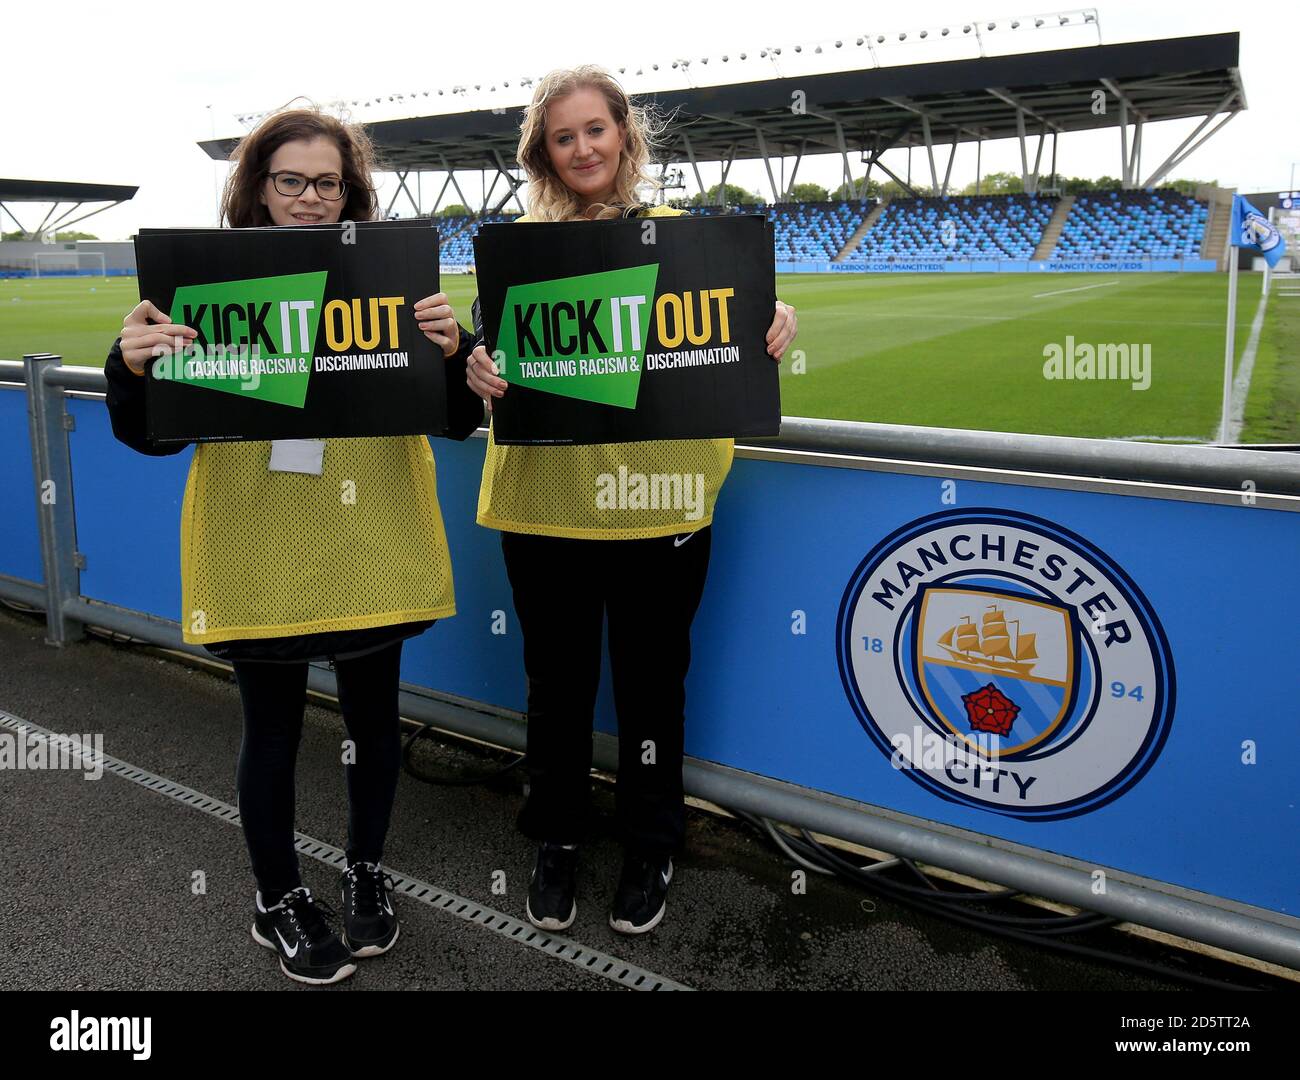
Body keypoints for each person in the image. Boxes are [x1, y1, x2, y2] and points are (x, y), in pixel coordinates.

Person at [104, 107, 482, 984]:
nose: (312, 198)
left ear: (349, 188)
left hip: (368, 533)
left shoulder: (394, 278)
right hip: (258, 541)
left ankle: (365, 870)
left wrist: (456, 350)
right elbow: (149, 435)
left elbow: (457, 418)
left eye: (328, 182)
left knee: (373, 726)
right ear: (257, 189)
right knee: (269, 734)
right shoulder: (201, 283)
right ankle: (275, 898)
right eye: (292, 181)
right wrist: (130, 366)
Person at [466, 66, 797, 935]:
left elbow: (726, 333)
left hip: (662, 505)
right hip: (546, 508)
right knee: (558, 687)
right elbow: (492, 368)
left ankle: (652, 840)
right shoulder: (517, 253)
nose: (582, 148)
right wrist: (477, 368)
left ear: (624, 135)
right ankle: (558, 838)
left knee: (654, 688)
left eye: (595, 130)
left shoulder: (685, 239)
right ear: (544, 151)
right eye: (563, 136)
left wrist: (770, 320)